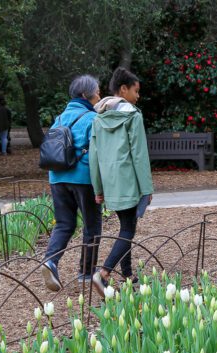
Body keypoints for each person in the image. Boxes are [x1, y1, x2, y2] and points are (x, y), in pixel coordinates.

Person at [89, 67, 154, 296]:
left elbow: (93, 156)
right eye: (136, 91)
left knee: (126, 226)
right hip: (129, 183)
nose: (138, 96)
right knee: (127, 230)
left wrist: (98, 188)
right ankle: (103, 274)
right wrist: (146, 189)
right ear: (123, 89)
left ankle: (127, 275)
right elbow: (139, 154)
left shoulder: (98, 117)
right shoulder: (133, 116)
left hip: (110, 183)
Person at [41, 75, 102, 291]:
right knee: (92, 225)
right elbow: (96, 154)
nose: (100, 95)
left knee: (64, 224)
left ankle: (50, 261)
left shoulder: (59, 118)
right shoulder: (92, 118)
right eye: (97, 91)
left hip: (57, 177)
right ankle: (86, 273)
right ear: (86, 95)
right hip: (83, 178)